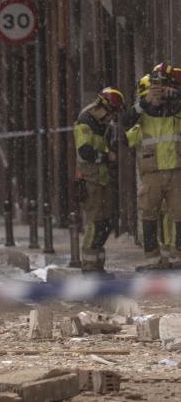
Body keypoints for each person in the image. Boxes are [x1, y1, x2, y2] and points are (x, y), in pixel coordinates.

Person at [124, 63, 181, 270]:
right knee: (149, 217)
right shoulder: (143, 115)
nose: (158, 93)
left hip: (176, 171)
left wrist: (176, 96)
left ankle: (177, 260)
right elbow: (125, 126)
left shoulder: (175, 111)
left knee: (179, 217)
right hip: (151, 174)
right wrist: (144, 103)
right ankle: (153, 261)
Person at [74, 87, 125, 273]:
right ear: (104, 107)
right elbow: (85, 152)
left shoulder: (103, 125)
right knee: (96, 222)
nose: (111, 118)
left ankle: (98, 263)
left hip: (102, 179)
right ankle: (89, 264)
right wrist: (106, 156)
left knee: (106, 222)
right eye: (111, 113)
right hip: (90, 180)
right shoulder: (86, 121)